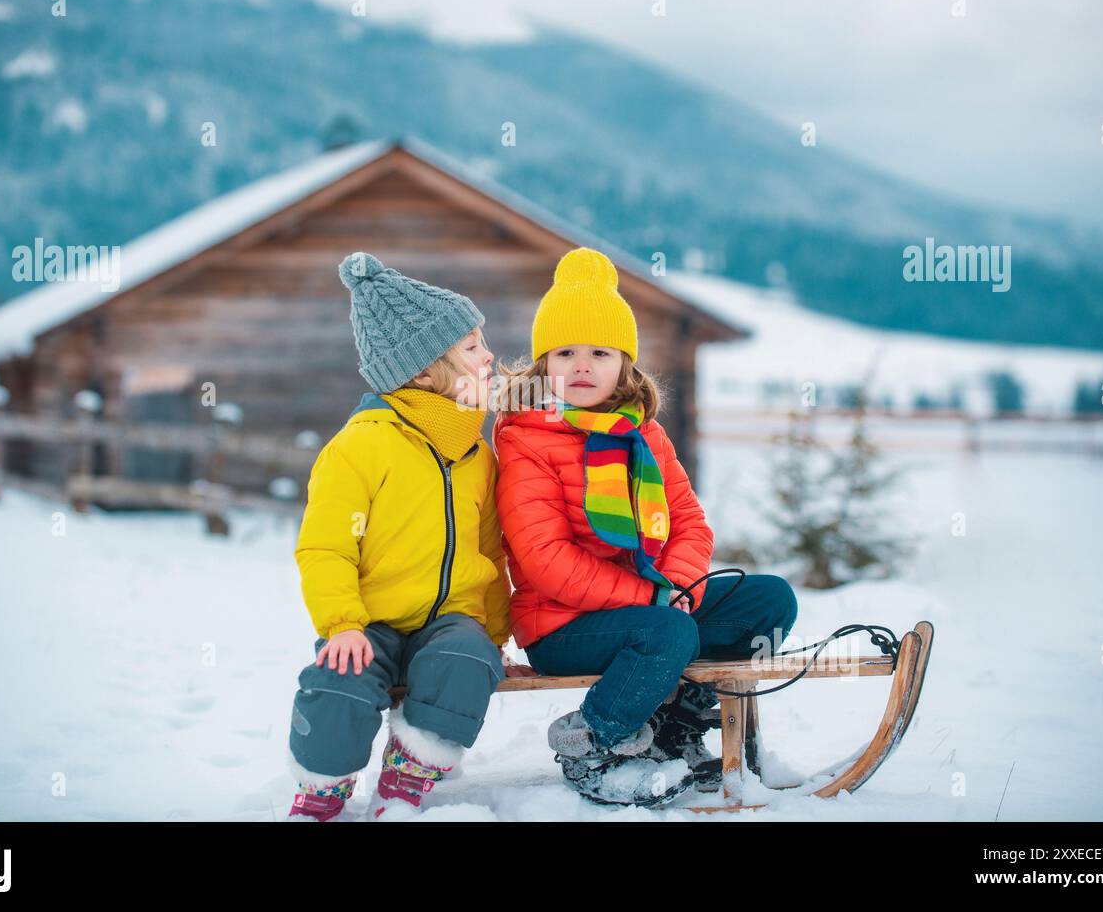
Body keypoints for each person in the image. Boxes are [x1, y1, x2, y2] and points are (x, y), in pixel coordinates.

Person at [493, 246, 798, 806]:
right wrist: (654, 597)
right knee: (668, 632)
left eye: (599, 352)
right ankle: (592, 743)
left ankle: (673, 726)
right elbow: (546, 560)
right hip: (563, 626)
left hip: (655, 606)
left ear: (624, 363)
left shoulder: (644, 436)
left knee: (769, 601)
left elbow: (689, 525)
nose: (582, 366)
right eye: (564, 352)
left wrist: (677, 588)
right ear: (542, 365)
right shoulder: (525, 440)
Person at [287, 251, 512, 821]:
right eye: (470, 347)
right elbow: (326, 545)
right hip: (371, 621)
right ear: (420, 372)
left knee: (468, 657)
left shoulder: (474, 452)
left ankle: (409, 776)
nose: (488, 356)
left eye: (482, 341)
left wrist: (496, 633)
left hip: (451, 620)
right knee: (338, 679)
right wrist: (341, 624)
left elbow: (490, 553)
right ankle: (323, 788)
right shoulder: (361, 446)